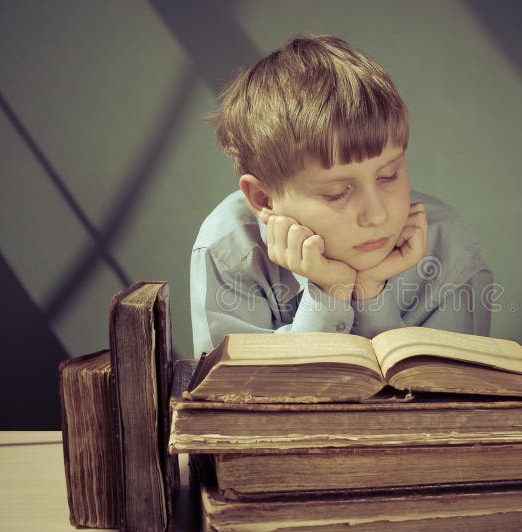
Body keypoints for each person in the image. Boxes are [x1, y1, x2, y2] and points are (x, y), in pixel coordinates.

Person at [191, 34, 494, 358]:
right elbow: (236, 398)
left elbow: (455, 398)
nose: (377, 215)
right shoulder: (228, 250)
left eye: (389, 175)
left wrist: (372, 291)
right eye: (336, 194)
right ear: (264, 199)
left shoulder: (449, 248)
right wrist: (329, 293)